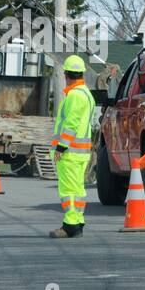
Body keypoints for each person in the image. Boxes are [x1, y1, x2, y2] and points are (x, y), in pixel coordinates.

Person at [49, 55, 95, 238]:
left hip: (70, 153)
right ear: (82, 73)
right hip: (81, 152)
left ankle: (70, 225)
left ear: (66, 74)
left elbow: (71, 124)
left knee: (68, 191)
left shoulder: (75, 96)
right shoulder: (86, 94)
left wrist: (61, 147)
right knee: (77, 190)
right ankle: (77, 222)